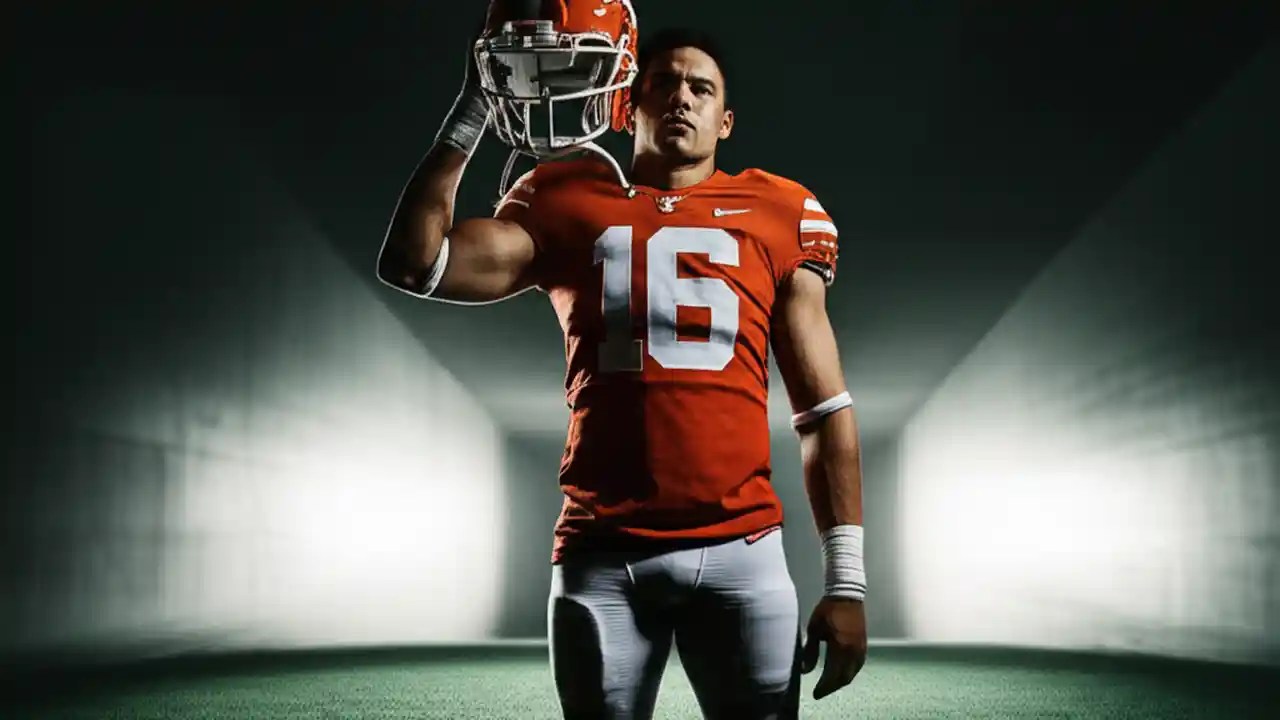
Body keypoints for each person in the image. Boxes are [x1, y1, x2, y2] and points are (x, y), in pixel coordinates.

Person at [377, 4, 867, 718]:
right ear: (627, 101)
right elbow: (415, 262)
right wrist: (472, 109)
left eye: (702, 89)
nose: (682, 97)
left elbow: (822, 410)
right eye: (664, 83)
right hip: (602, 551)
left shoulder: (779, 210)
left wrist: (845, 581)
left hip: (742, 546)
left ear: (726, 121)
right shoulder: (563, 198)